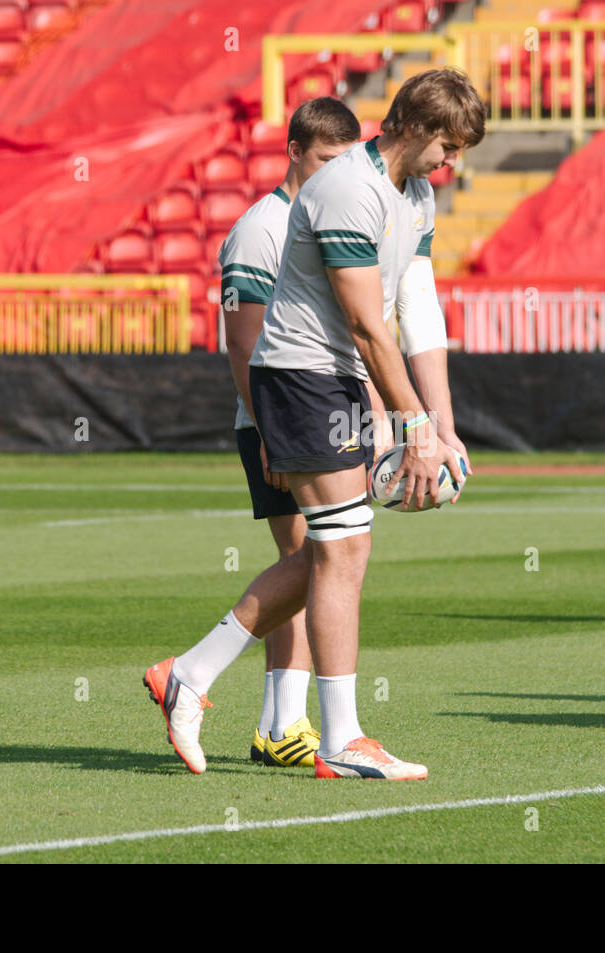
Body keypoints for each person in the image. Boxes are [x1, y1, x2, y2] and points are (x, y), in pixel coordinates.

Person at [144, 69, 482, 778]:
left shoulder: (411, 193)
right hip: (303, 375)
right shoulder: (347, 191)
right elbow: (366, 323)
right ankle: (337, 736)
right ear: (414, 129)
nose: (451, 165)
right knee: (342, 549)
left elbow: (415, 307)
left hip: (336, 379)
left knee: (332, 550)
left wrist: (441, 424)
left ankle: (194, 673)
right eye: (447, 147)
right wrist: (412, 427)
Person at [217, 97, 364, 768]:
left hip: (309, 413)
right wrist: (274, 433)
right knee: (310, 561)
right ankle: (280, 722)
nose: (336, 171)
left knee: (311, 564)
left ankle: (281, 721)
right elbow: (243, 344)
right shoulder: (262, 229)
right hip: (277, 420)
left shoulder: (318, 218)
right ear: (296, 151)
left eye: (345, 160)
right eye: (325, 159)